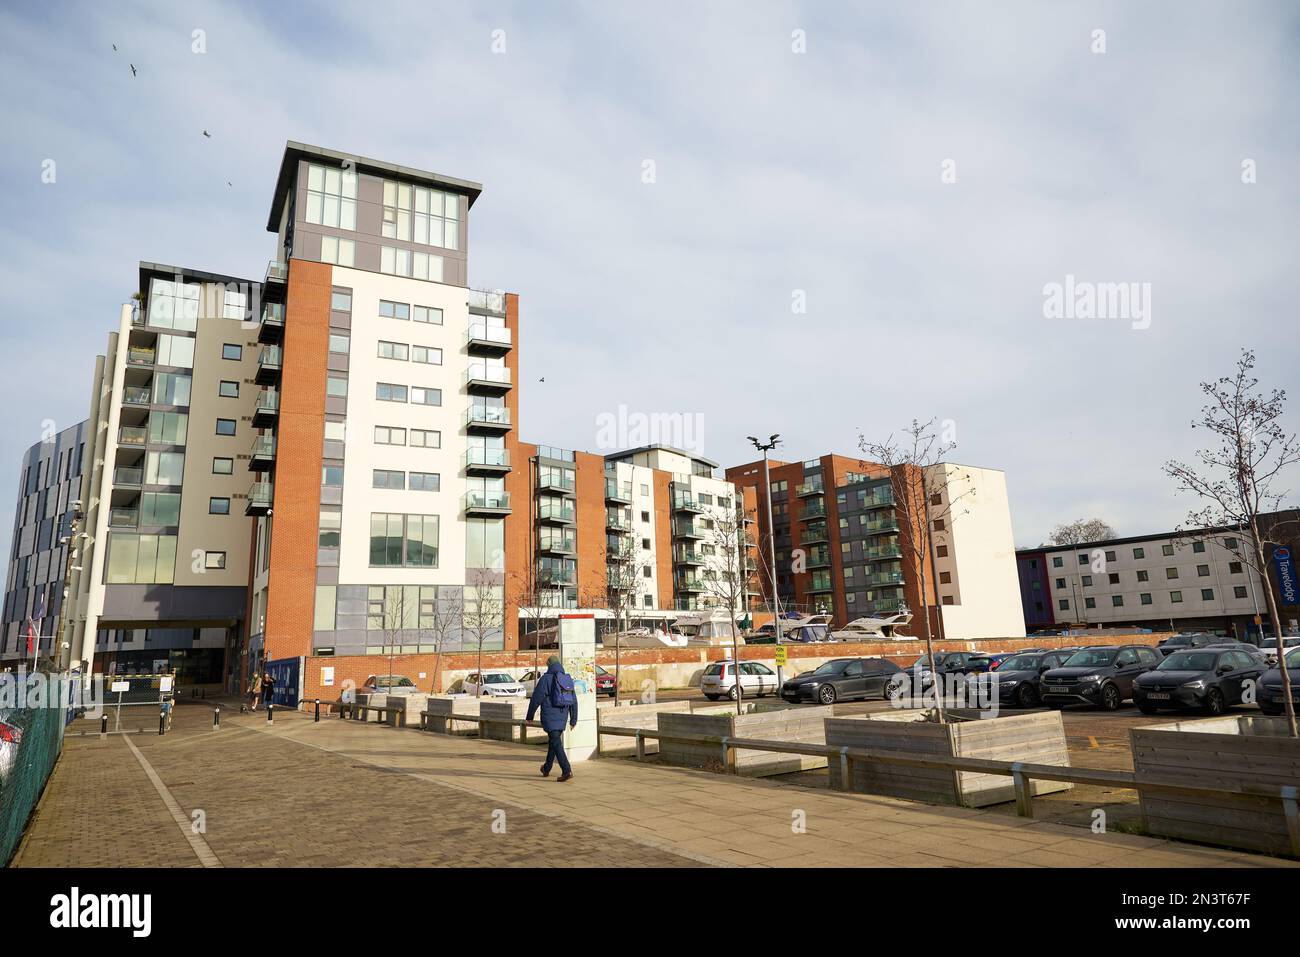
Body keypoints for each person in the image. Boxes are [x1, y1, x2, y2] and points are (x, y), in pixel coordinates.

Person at [526, 655, 579, 782]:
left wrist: (529, 716)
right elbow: (574, 701)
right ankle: (546, 768)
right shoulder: (567, 679)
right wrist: (573, 719)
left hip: (550, 717)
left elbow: (536, 698)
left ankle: (566, 770)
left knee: (555, 742)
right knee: (553, 742)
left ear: (549, 665)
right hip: (562, 716)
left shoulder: (546, 679)